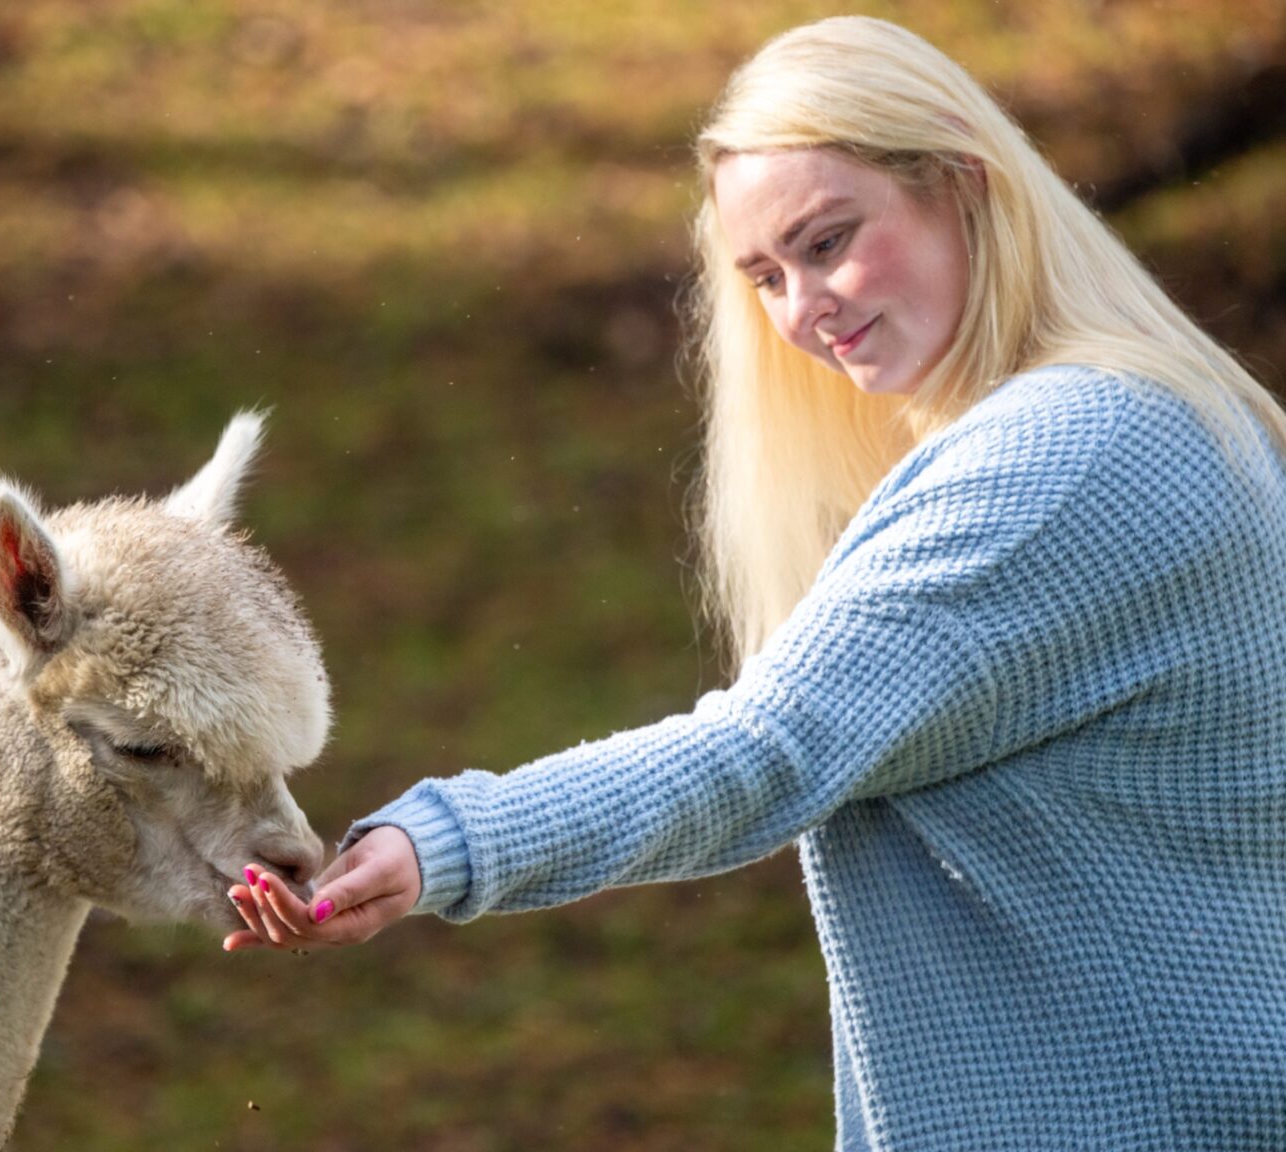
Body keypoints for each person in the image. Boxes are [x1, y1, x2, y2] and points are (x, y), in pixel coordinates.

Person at [226, 16, 1286, 1150]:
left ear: (964, 186)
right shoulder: (1158, 413)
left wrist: (448, 842)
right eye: (766, 275)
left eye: (828, 242)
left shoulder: (1062, 461)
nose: (801, 310)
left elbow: (762, 753)